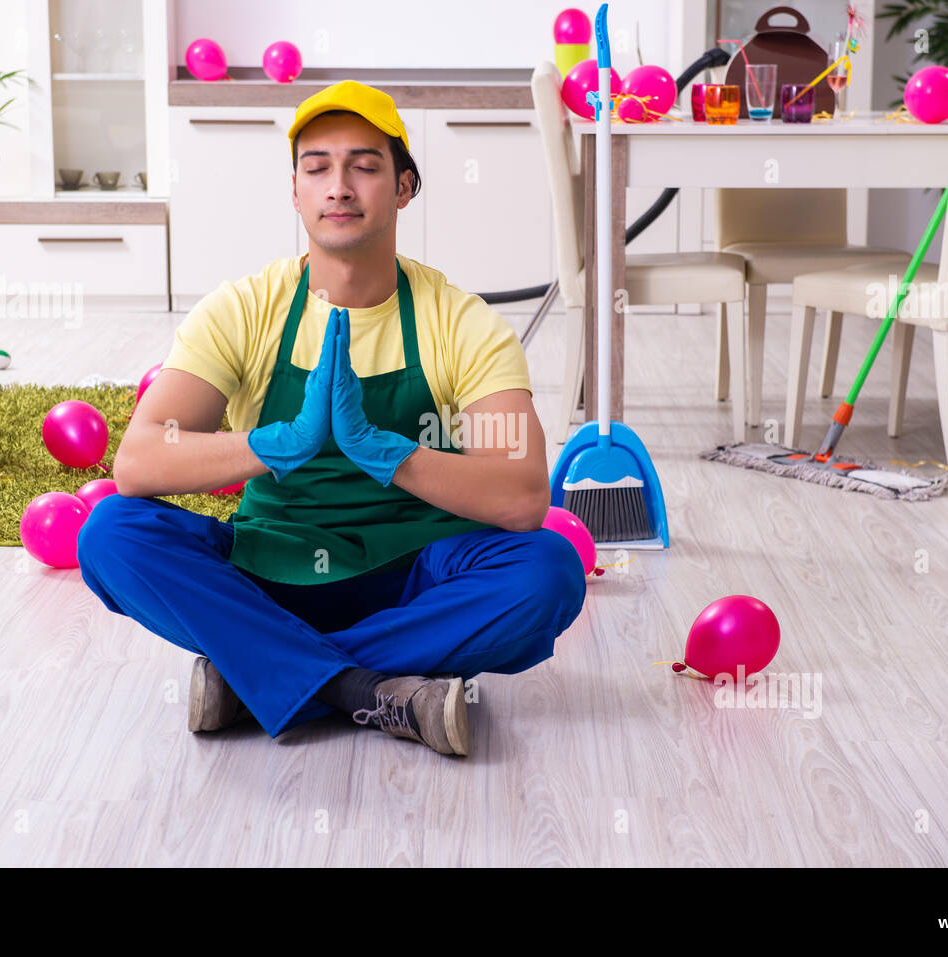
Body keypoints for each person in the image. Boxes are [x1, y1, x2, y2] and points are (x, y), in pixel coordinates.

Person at [77, 80, 586, 757]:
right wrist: (272, 442)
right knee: (111, 532)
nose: (338, 186)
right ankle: (368, 690)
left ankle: (260, 673)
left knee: (547, 571)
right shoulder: (244, 308)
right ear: (295, 192)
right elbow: (140, 459)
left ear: (405, 187)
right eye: (316, 167)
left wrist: (387, 451)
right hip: (271, 571)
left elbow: (523, 494)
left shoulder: (461, 323)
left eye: (365, 166)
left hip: (416, 579)